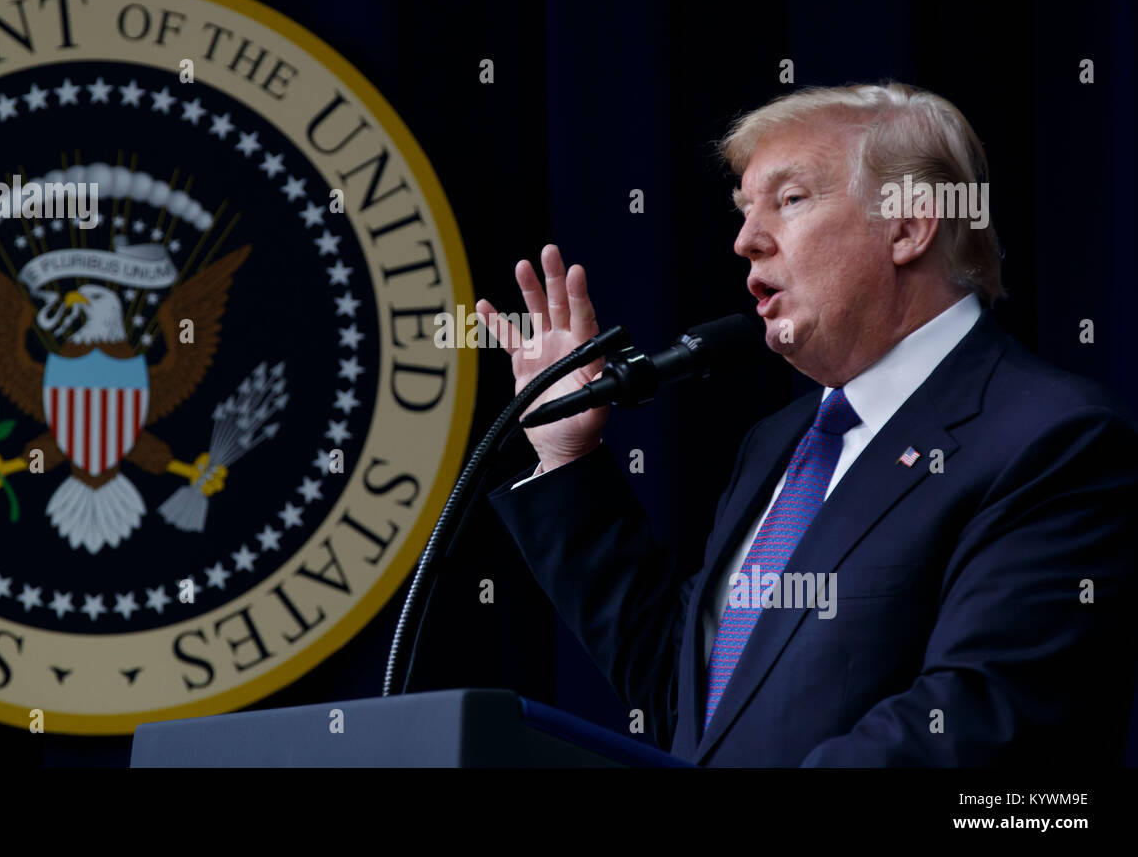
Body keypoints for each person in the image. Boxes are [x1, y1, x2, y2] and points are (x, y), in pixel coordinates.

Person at [479, 83, 1138, 765]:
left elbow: (979, 720)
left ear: (909, 226)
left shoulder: (1056, 440)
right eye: (742, 212)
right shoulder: (777, 444)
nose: (744, 241)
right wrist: (566, 458)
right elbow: (688, 700)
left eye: (790, 201)